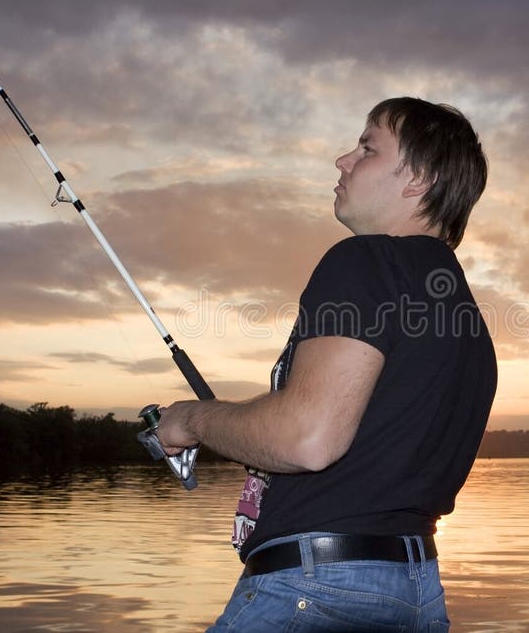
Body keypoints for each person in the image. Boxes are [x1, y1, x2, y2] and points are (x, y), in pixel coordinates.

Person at [157, 97, 497, 631]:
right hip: (418, 595)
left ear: (418, 179)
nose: (343, 160)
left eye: (367, 148)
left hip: (315, 592)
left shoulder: (364, 260)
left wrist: (191, 419)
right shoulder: (467, 321)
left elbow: (308, 440)